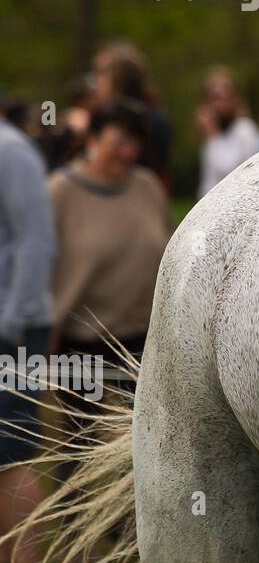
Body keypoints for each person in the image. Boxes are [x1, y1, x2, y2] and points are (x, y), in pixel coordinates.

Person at [47, 101, 172, 468]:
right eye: (119, 141)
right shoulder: (60, 192)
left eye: (135, 142)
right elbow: (42, 270)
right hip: (81, 345)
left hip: (141, 341)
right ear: (93, 138)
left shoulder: (147, 186)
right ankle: (74, 522)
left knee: (140, 451)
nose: (129, 151)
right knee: (78, 452)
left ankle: (127, 527)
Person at [0, 111, 56, 563]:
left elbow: (37, 241)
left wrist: (10, 322)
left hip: (13, 329)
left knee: (12, 450)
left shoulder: (10, 151)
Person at [89, 41, 173, 193]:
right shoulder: (155, 115)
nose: (96, 82)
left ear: (119, 78)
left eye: (101, 73)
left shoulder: (146, 122)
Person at [195, 67, 259, 197]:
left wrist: (212, 133)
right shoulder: (217, 131)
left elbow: (227, 170)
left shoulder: (244, 128)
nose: (216, 104)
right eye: (212, 98)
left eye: (220, 97)